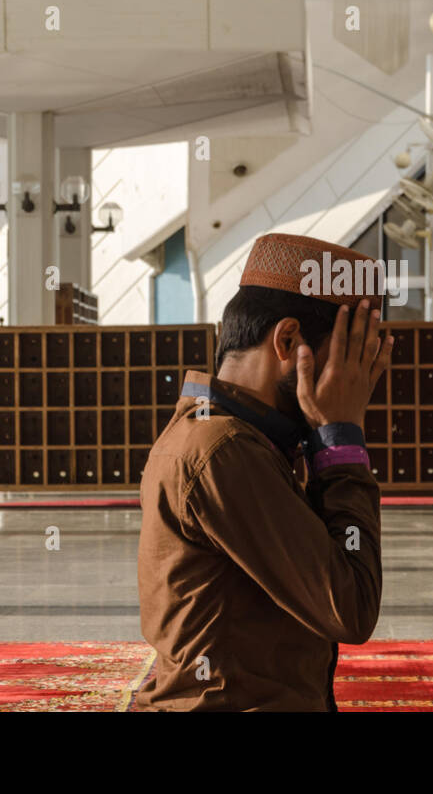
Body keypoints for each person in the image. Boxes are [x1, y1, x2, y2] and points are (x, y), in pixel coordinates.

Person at [135, 233, 393, 711]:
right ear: (288, 341)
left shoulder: (241, 439)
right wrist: (342, 439)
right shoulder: (224, 449)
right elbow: (351, 608)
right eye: (351, 362)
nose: (361, 383)